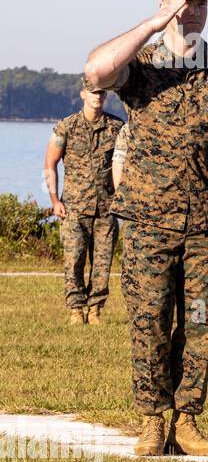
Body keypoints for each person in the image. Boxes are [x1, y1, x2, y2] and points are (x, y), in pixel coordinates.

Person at [83, 0, 208, 457]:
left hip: (205, 222)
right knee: (151, 319)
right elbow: (95, 70)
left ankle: (187, 421)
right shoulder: (140, 66)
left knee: (202, 322)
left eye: (200, 3)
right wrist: (151, 25)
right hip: (146, 220)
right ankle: (152, 420)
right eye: (184, 1)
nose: (193, 11)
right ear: (166, 3)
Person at [45, 79, 124, 325]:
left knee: (103, 263)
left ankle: (96, 309)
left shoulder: (116, 127)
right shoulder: (66, 127)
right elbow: (50, 165)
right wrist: (55, 200)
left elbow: (126, 165)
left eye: (101, 93)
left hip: (106, 208)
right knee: (74, 260)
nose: (97, 97)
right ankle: (76, 310)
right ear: (83, 94)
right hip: (74, 207)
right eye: (93, 92)